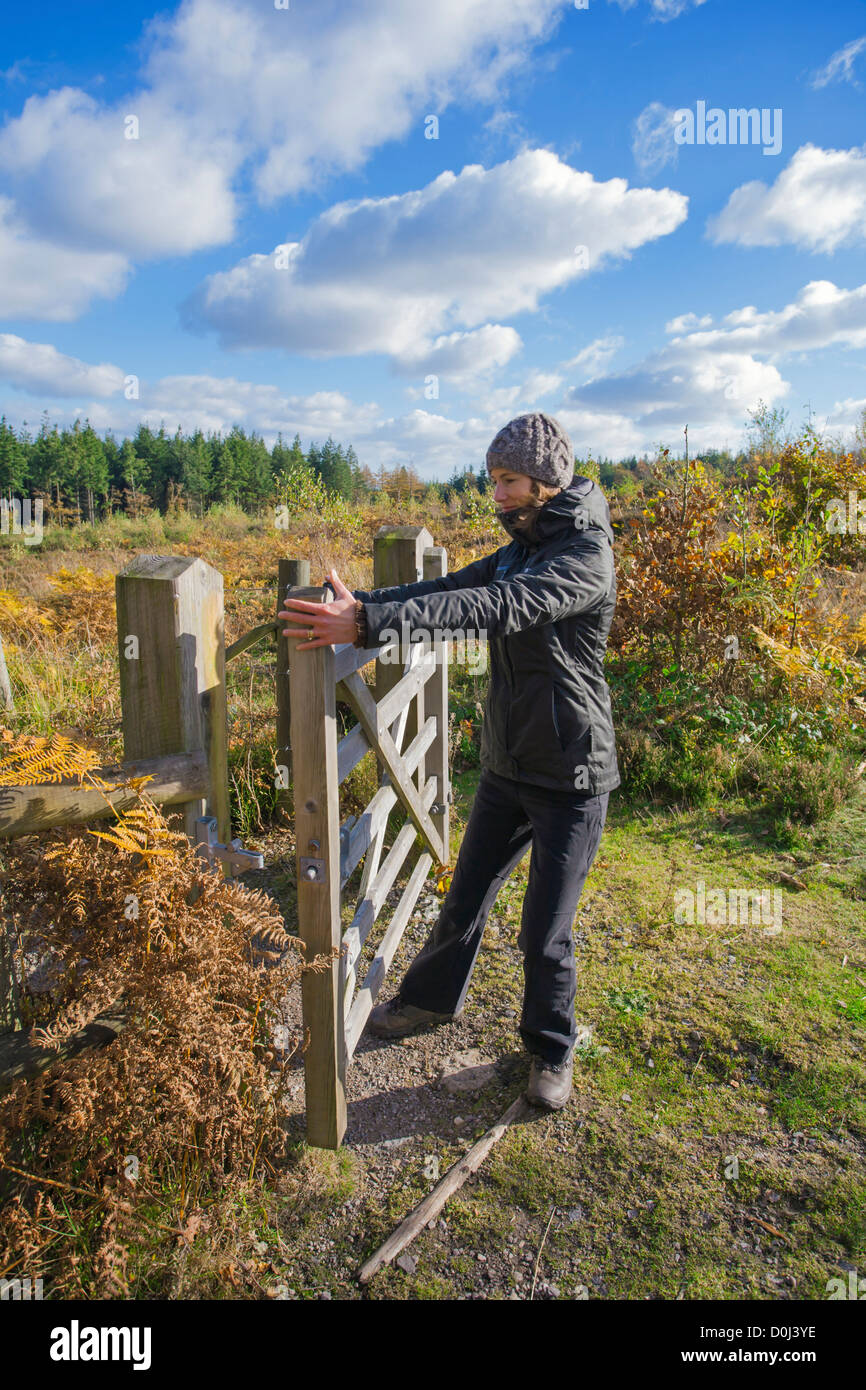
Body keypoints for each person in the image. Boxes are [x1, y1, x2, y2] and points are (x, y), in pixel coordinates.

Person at [278, 412, 620, 1110]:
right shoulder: (520, 547)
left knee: (544, 934)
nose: (496, 492)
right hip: (509, 763)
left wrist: (368, 627)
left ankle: (552, 1050)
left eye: (509, 481)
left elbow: (494, 608)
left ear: (547, 482)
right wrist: (366, 605)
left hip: (572, 774)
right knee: (463, 897)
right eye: (492, 479)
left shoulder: (582, 555)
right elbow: (447, 589)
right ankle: (428, 1003)